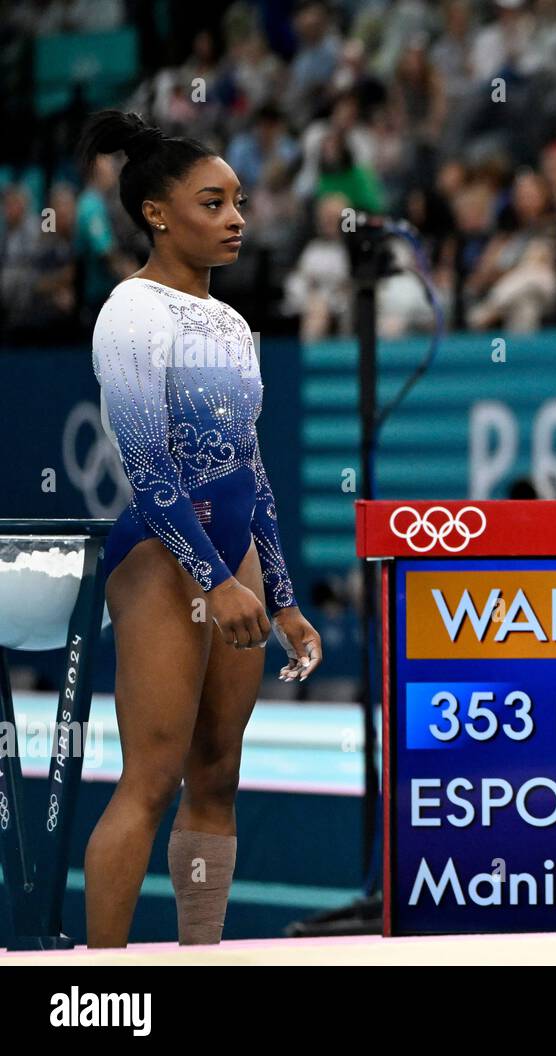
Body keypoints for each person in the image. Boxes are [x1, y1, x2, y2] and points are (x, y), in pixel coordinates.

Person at [75, 110, 323, 948]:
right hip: (160, 553)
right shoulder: (132, 313)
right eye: (213, 203)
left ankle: (200, 952)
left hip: (237, 554)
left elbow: (251, 470)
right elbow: (147, 468)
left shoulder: (229, 323)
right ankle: (98, 989)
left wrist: (280, 596)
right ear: (156, 212)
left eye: (239, 202)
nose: (236, 219)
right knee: (150, 780)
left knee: (217, 774)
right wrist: (212, 581)